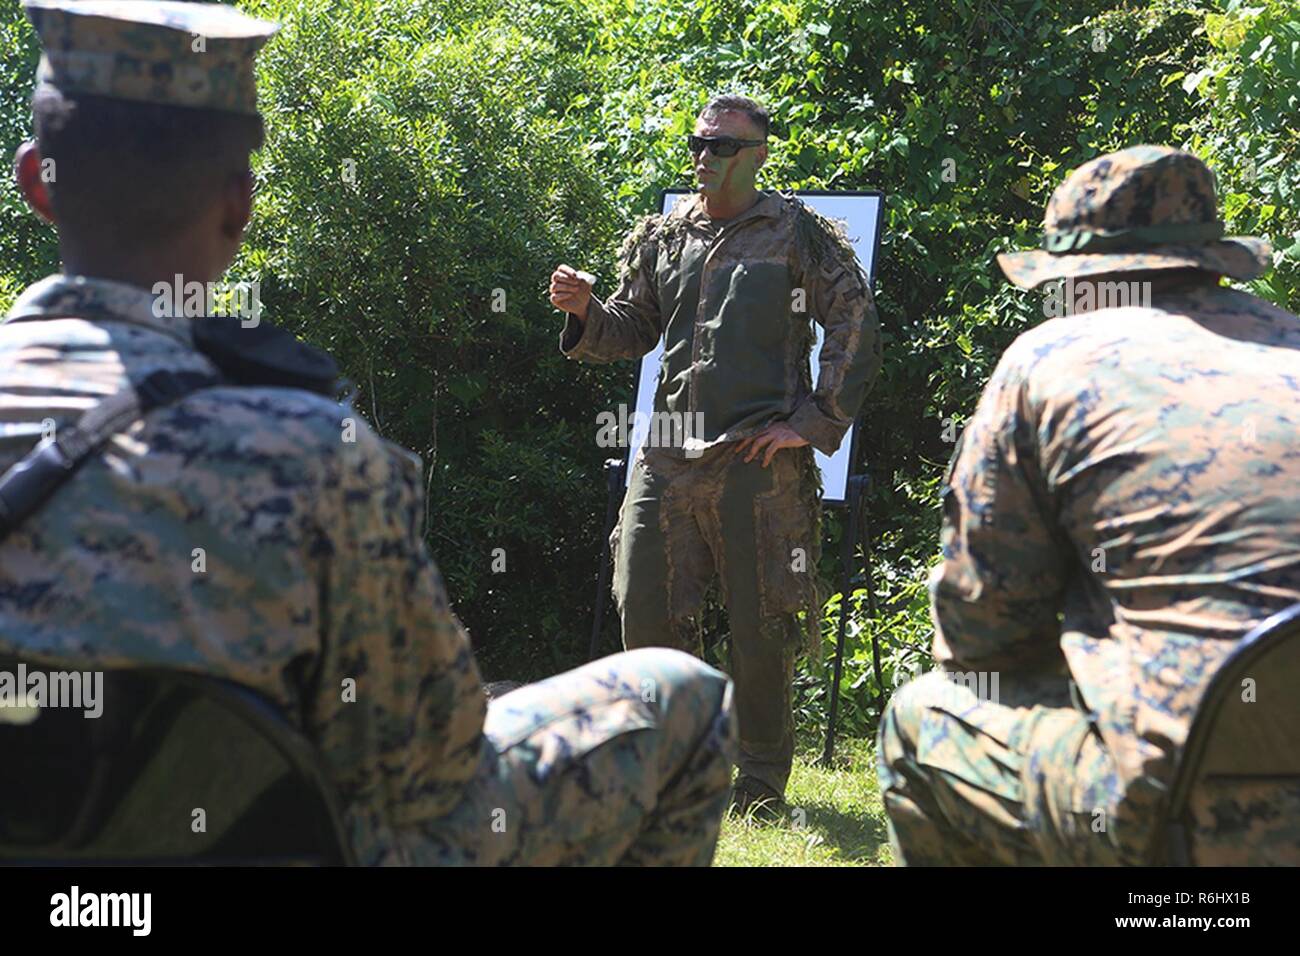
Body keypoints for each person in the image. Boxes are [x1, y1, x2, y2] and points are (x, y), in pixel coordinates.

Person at [0, 0, 737, 866]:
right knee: (682, 696)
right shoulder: (315, 454)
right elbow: (432, 770)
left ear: (36, 182)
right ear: (238, 205)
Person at [878, 145, 1300, 865]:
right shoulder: (1288, 342)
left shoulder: (1049, 361)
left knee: (921, 723)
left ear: (1079, 280)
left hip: (1199, 811)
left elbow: (981, 634)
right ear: (1213, 261)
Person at [550, 94, 881, 815]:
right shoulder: (665, 236)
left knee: (762, 626)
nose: (705, 157)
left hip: (757, 464)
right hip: (667, 458)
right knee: (645, 612)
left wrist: (816, 420)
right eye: (698, 143)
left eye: (723, 146)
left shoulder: (798, 235)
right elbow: (631, 329)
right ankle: (677, 768)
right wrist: (583, 313)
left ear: (760, 153)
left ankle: (760, 781)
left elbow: (854, 319)